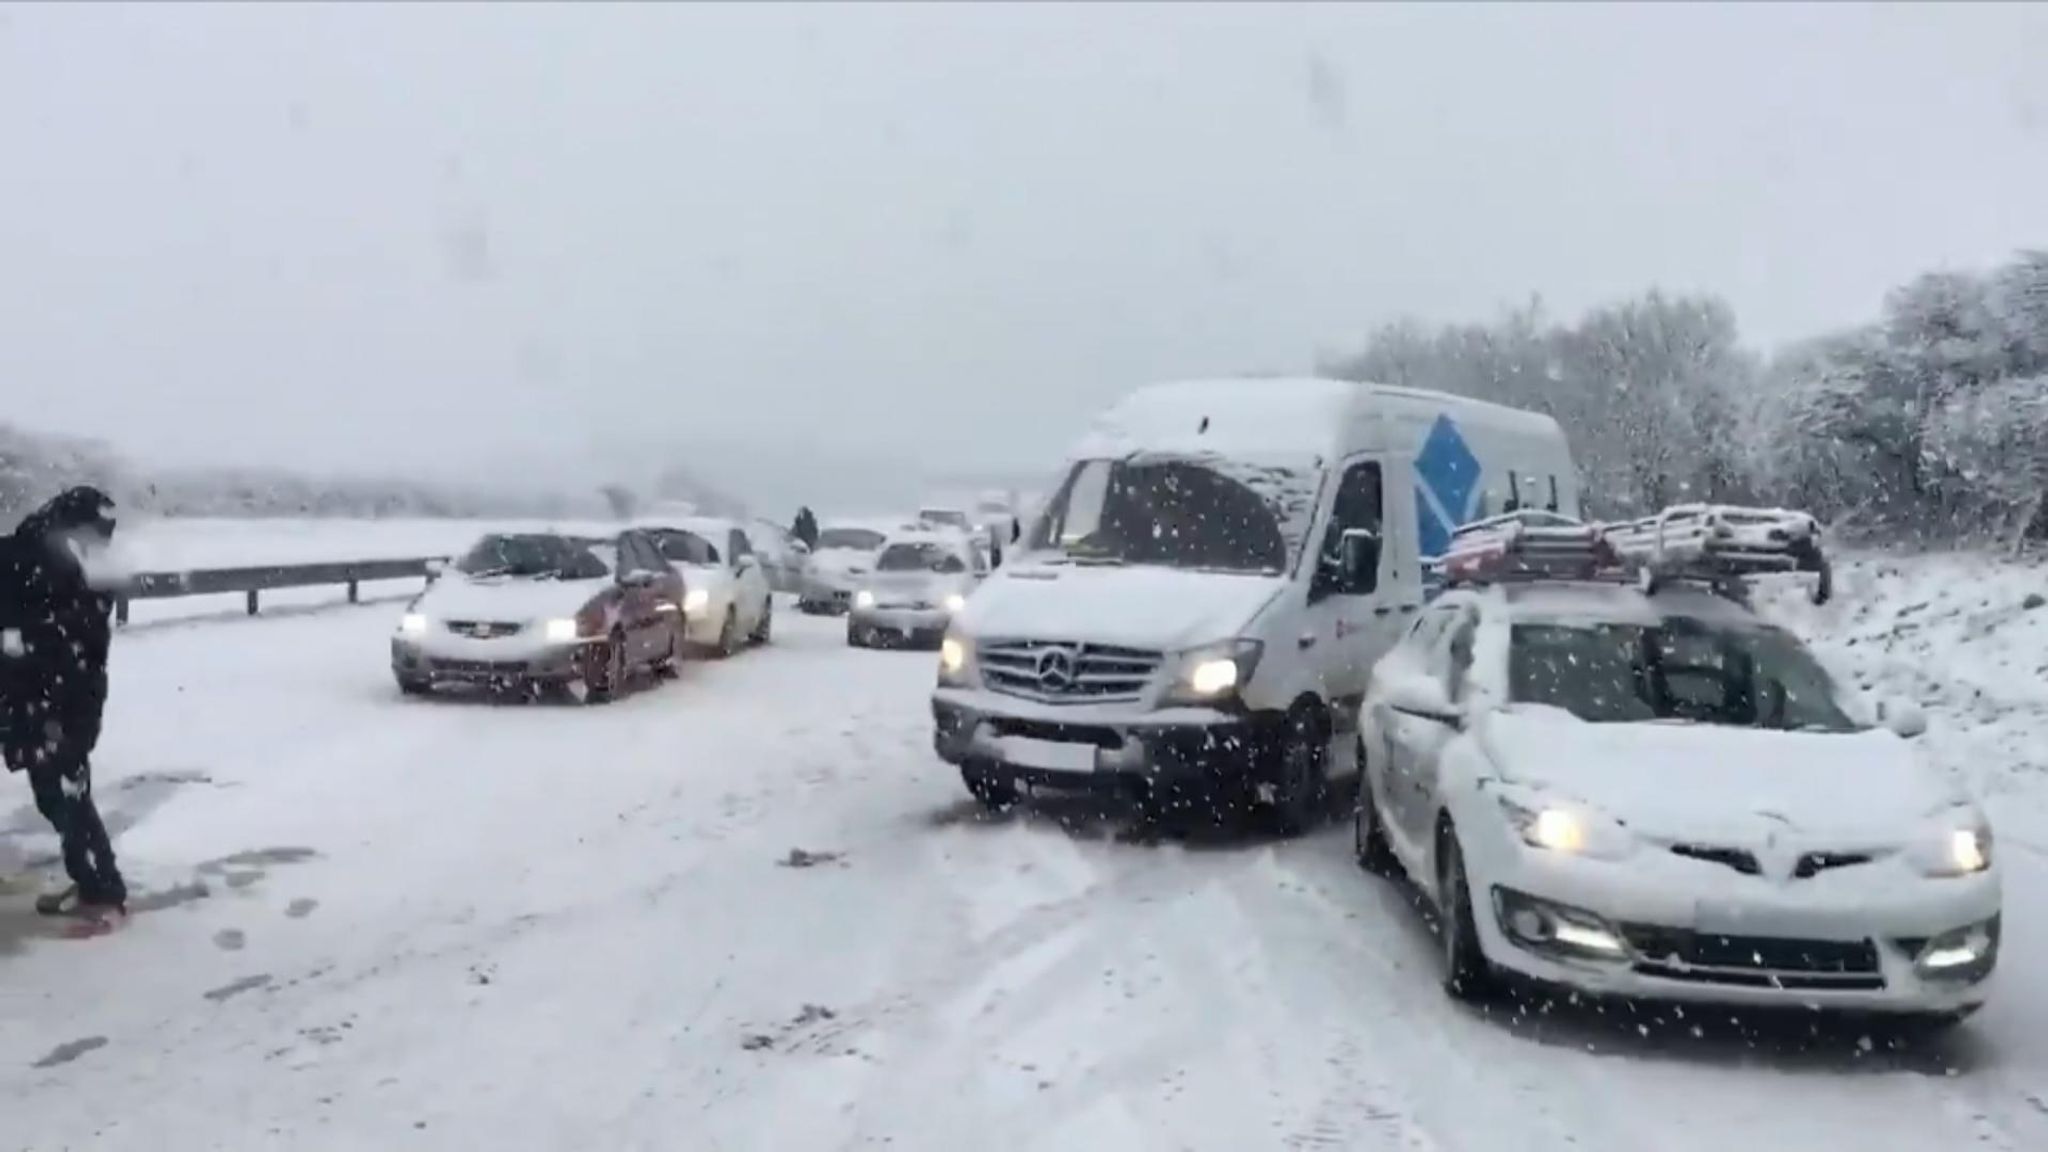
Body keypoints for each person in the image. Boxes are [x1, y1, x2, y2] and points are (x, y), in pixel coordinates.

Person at [0, 486, 127, 920]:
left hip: (51, 695)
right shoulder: (34, 557)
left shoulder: (53, 556)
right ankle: (97, 883)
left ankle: (101, 887)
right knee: (60, 791)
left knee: (63, 791)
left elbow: (69, 631)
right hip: (45, 693)